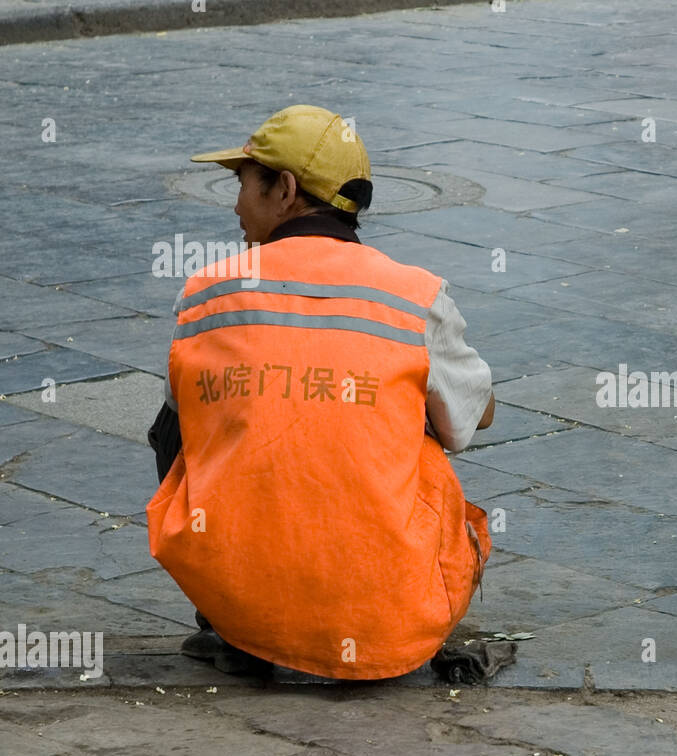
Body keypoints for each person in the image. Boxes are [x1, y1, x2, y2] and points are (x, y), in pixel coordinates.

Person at [147, 105, 495, 679]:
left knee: (178, 426)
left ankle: (238, 613)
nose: (235, 206)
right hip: (391, 628)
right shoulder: (415, 296)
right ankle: (356, 595)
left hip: (238, 610)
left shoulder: (204, 293)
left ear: (284, 190)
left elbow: (175, 431)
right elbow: (473, 419)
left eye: (243, 185)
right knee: (420, 426)